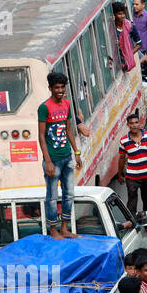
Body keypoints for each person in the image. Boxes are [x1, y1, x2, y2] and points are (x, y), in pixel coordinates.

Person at [38, 71, 88, 236]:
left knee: (69, 194)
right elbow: (41, 136)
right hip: (53, 160)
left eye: (62, 87)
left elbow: (68, 130)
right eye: (56, 87)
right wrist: (48, 161)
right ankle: (53, 229)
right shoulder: (44, 108)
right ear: (50, 88)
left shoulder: (66, 104)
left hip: (67, 157)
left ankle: (64, 228)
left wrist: (77, 153)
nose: (60, 90)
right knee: (52, 197)